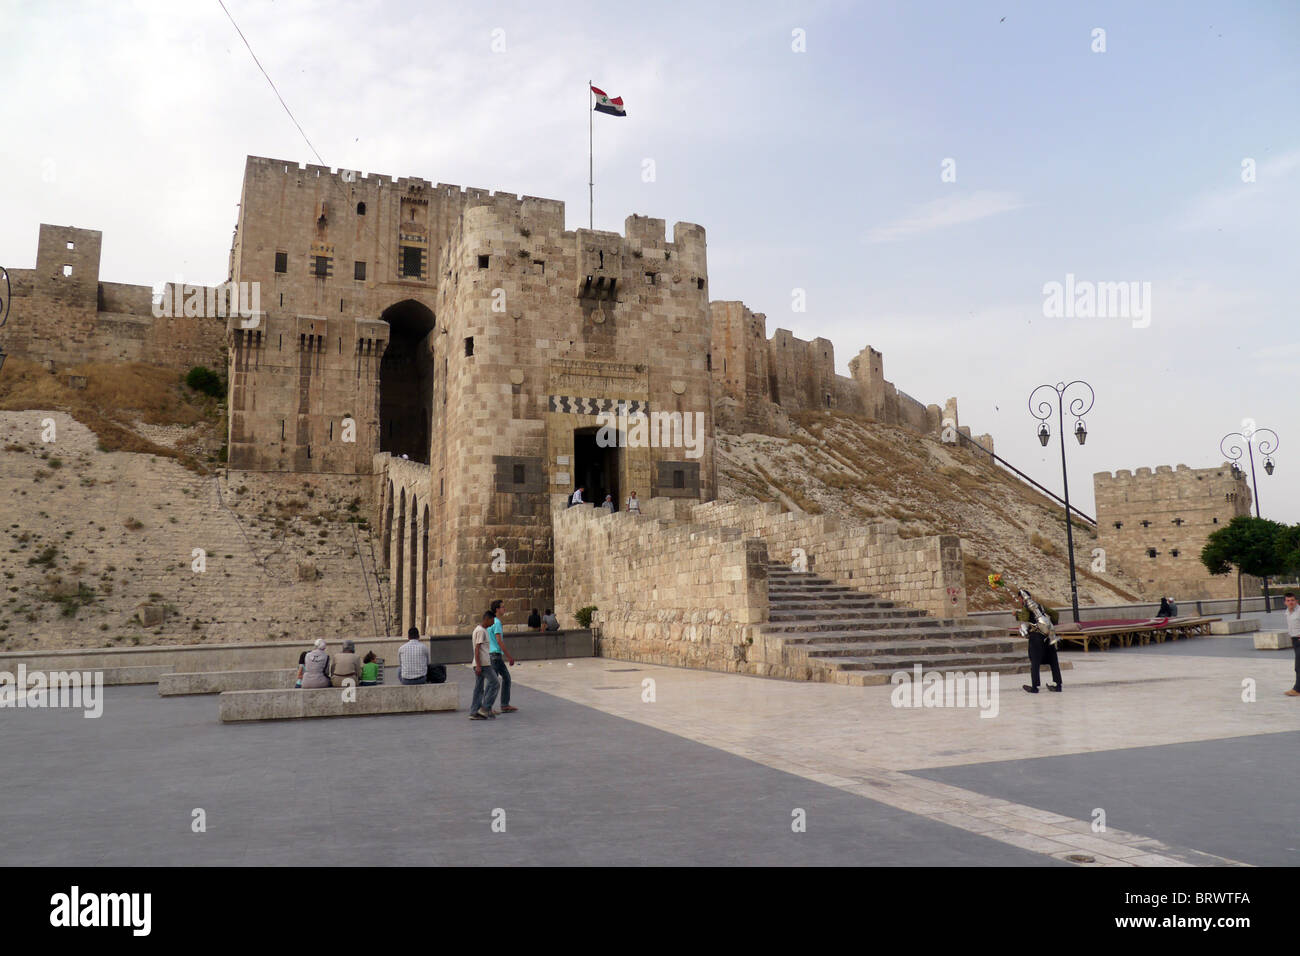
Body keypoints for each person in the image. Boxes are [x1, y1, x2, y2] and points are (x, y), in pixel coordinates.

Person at [1014, 589, 1062, 694]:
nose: (1019, 601)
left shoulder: (1026, 607)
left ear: (1022, 598)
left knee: (1035, 661)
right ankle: (1058, 685)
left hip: (1036, 637)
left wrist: (1017, 614)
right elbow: (1055, 614)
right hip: (1048, 635)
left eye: (1019, 599)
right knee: (1053, 661)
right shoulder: (1040, 606)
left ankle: (1035, 687)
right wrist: (1051, 624)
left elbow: (1026, 618)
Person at [469, 610, 500, 720]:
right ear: (487, 619)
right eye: (492, 620)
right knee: (495, 683)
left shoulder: (482, 630)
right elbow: (477, 649)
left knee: (479, 688)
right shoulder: (481, 631)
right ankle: (485, 708)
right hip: (483, 664)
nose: (493, 623)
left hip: (481, 663)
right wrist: (478, 665)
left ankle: (474, 711)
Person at [488, 599, 518, 713]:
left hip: (491, 654)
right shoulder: (497, 623)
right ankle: (490, 706)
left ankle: (501, 705)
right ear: (497, 609)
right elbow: (499, 641)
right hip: (496, 655)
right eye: (502, 607)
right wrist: (509, 656)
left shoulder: (490, 622)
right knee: (498, 681)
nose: (504, 609)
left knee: (500, 680)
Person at [1285, 592, 1300, 698]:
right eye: (1288, 600)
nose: (1290, 602)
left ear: (1296, 601)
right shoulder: (1287, 612)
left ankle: (1297, 689)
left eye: (1292, 600)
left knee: (1298, 666)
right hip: (1294, 640)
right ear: (1285, 602)